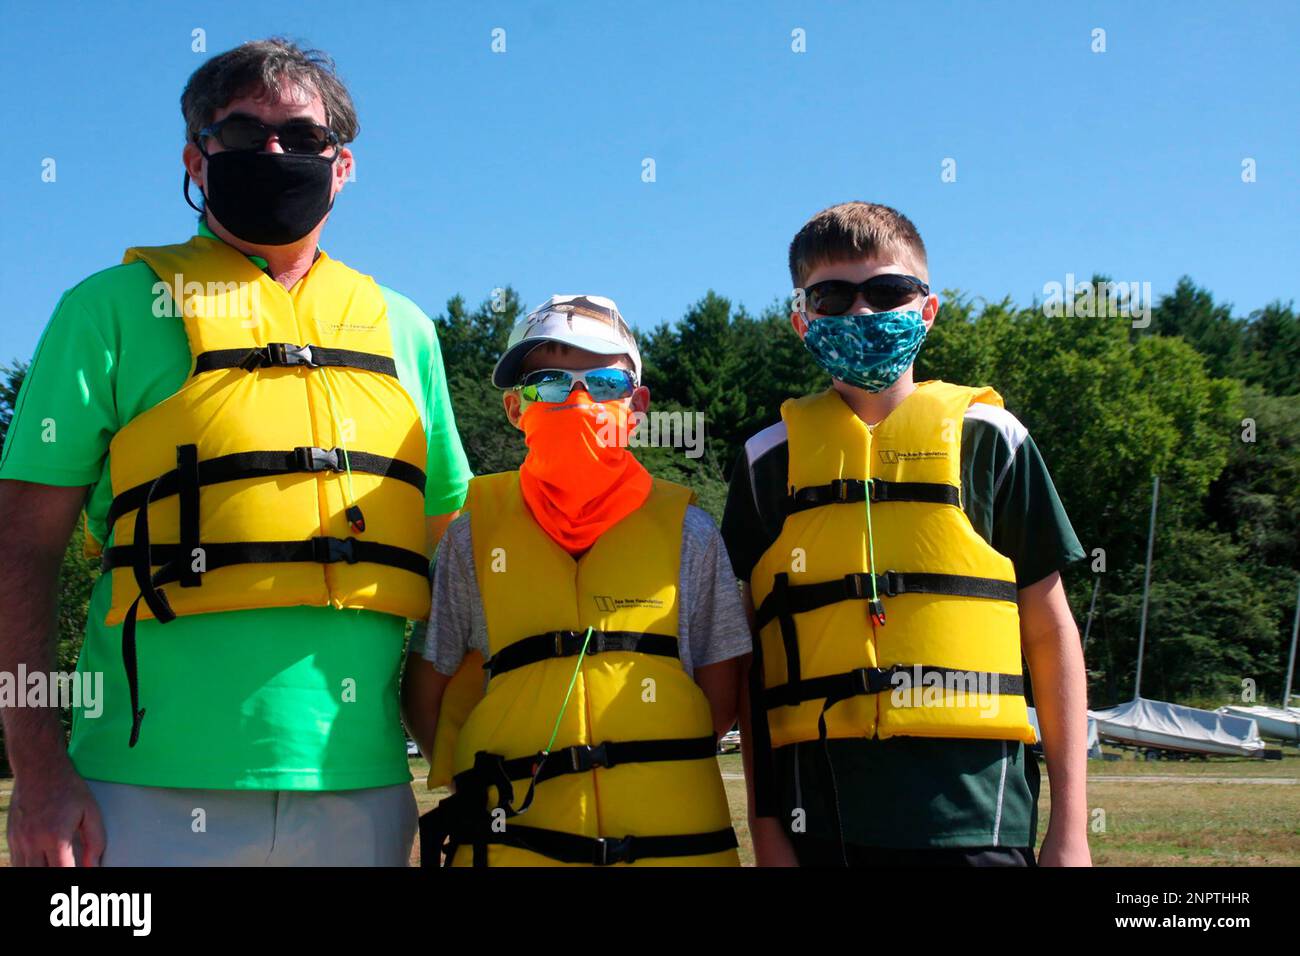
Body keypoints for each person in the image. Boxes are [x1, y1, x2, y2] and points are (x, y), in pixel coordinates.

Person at [0, 38, 470, 866]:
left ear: (344, 164)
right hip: (136, 790)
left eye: (302, 136)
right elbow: (18, 551)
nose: (275, 152)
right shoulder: (106, 310)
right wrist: (38, 770)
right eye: (245, 135)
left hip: (361, 791)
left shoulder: (407, 329)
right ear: (196, 157)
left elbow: (458, 559)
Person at [723, 201, 1092, 867]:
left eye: (888, 291)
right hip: (821, 821)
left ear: (927, 309)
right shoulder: (762, 463)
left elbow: (1050, 631)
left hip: (979, 816)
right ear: (801, 318)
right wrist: (766, 828)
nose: (861, 313)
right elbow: (751, 660)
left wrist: (1071, 829)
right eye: (833, 295)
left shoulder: (995, 442)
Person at [403, 294, 750, 867]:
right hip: (515, 843)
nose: (580, 400)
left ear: (637, 406)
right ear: (515, 408)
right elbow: (428, 693)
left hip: (672, 847)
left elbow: (721, 698)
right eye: (550, 383)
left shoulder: (692, 533)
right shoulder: (470, 537)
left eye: (605, 383)